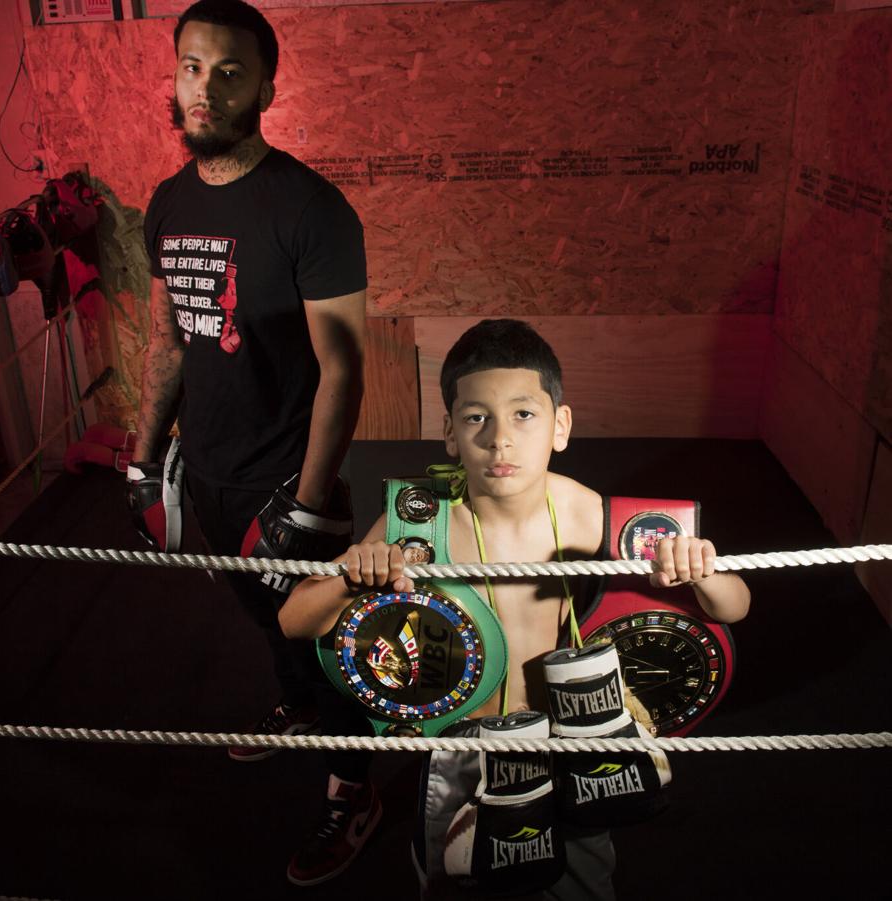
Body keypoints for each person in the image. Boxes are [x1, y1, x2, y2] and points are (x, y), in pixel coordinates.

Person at [280, 318, 751, 898]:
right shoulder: (422, 523)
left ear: (561, 426)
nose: (499, 439)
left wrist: (702, 567)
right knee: (453, 883)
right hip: (461, 745)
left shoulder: (586, 514)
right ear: (449, 432)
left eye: (524, 414)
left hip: (569, 743)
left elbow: (733, 607)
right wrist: (354, 578)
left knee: (580, 883)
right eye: (477, 417)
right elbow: (294, 619)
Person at [131, 0, 377, 886]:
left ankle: (354, 791)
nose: (206, 87)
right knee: (267, 624)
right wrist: (143, 453)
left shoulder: (311, 209)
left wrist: (310, 505)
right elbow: (167, 342)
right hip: (209, 473)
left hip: (286, 478)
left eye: (229, 71)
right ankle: (300, 712)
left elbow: (344, 371)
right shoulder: (165, 204)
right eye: (192, 67)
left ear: (266, 87)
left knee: (328, 638)